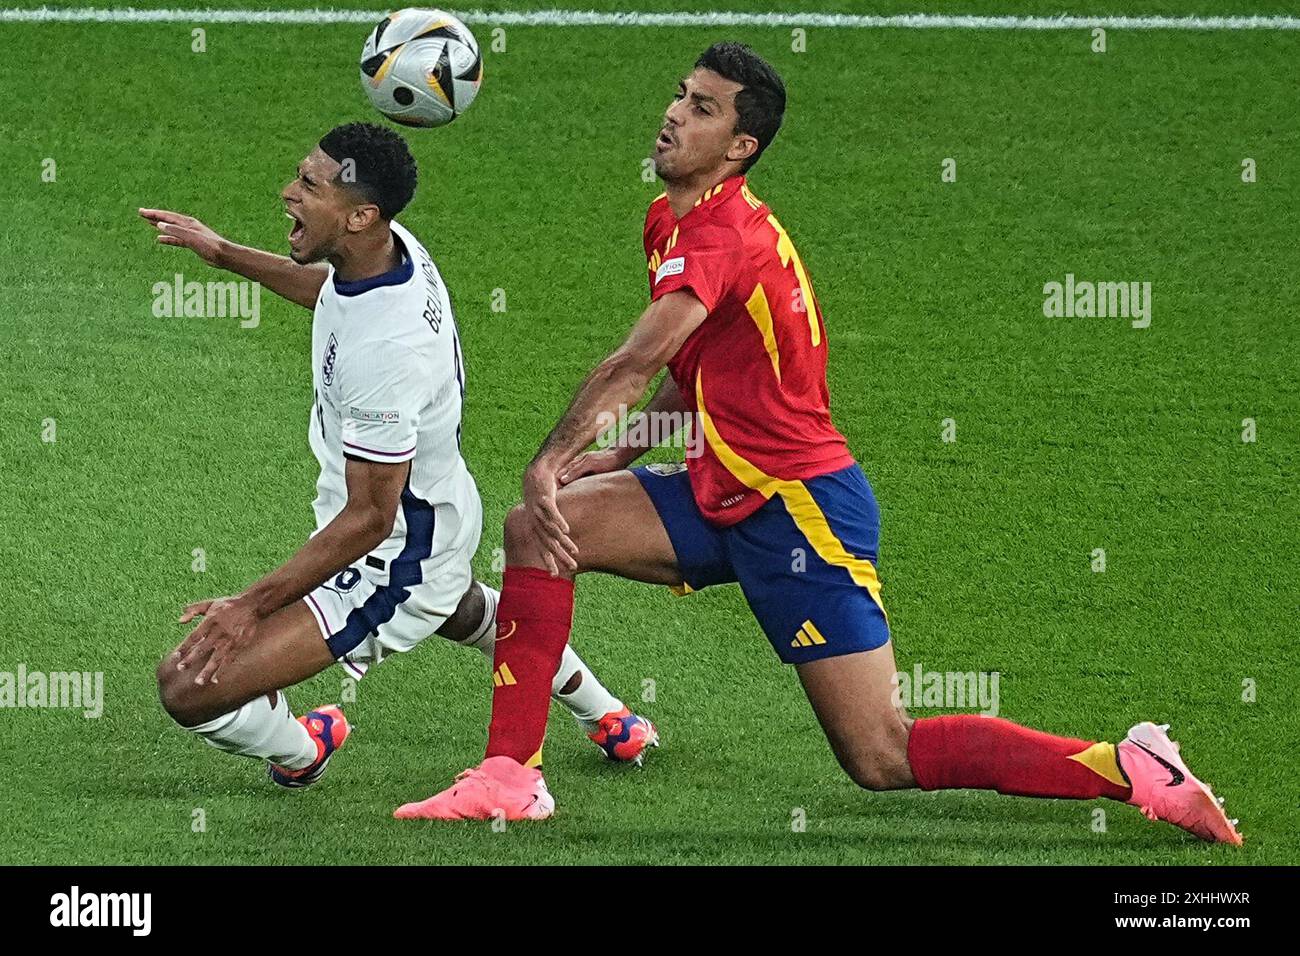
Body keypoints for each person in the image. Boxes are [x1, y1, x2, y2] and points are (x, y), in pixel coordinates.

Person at [392, 45, 1240, 846]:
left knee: (880, 755)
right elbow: (690, 373)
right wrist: (619, 456)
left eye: (702, 108)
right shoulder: (672, 221)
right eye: (680, 96)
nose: (673, 115)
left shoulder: (723, 238)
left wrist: (550, 459)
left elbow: (636, 357)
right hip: (719, 488)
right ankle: (511, 775)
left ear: (741, 145)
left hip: (802, 511)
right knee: (536, 528)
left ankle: (1127, 768)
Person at [142, 122, 656, 789]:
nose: (287, 193)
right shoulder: (386, 251)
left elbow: (369, 520)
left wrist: (249, 604)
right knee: (463, 609)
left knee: (187, 686)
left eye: (308, 186)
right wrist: (223, 253)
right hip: (435, 510)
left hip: (392, 553)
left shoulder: (388, 355)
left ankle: (303, 749)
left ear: (360, 216)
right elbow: (328, 294)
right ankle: (610, 716)